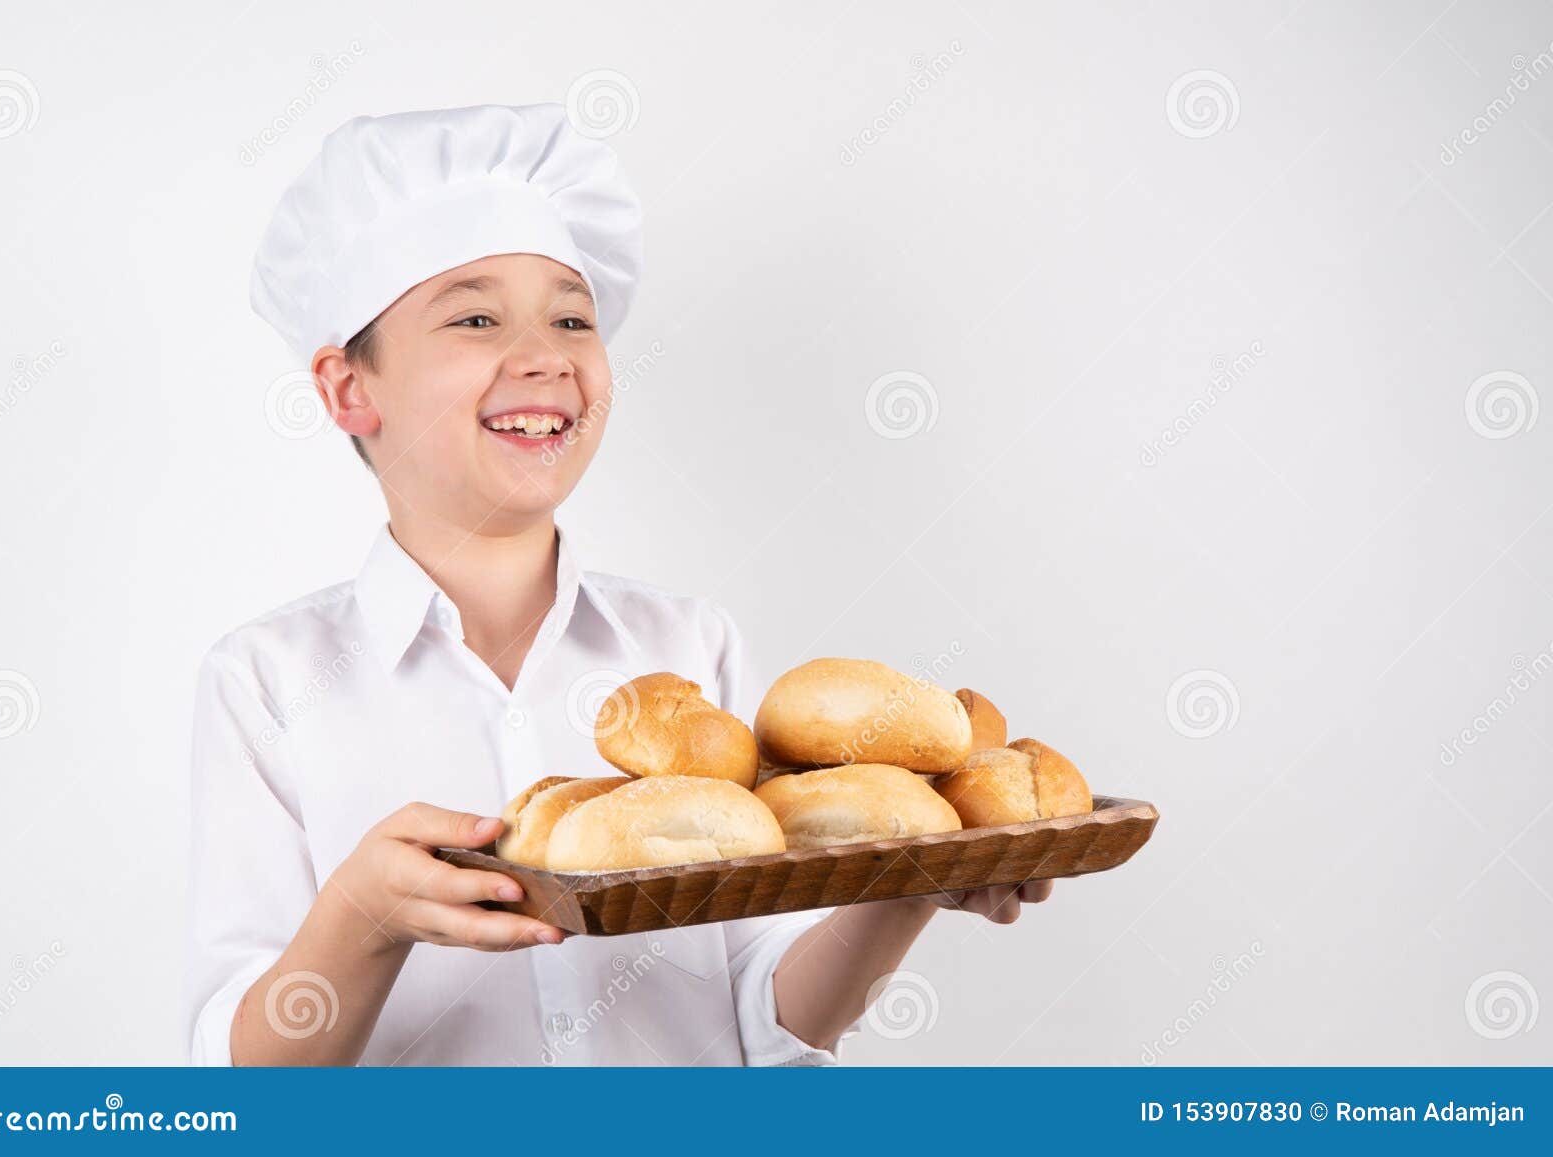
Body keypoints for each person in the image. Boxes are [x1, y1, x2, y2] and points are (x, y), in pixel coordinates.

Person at [183, 102, 1052, 1067]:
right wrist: (363, 916)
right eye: (475, 318)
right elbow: (245, 1084)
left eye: (572, 318)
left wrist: (909, 882)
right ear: (350, 387)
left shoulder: (689, 648)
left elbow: (770, 1020)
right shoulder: (266, 682)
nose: (546, 356)